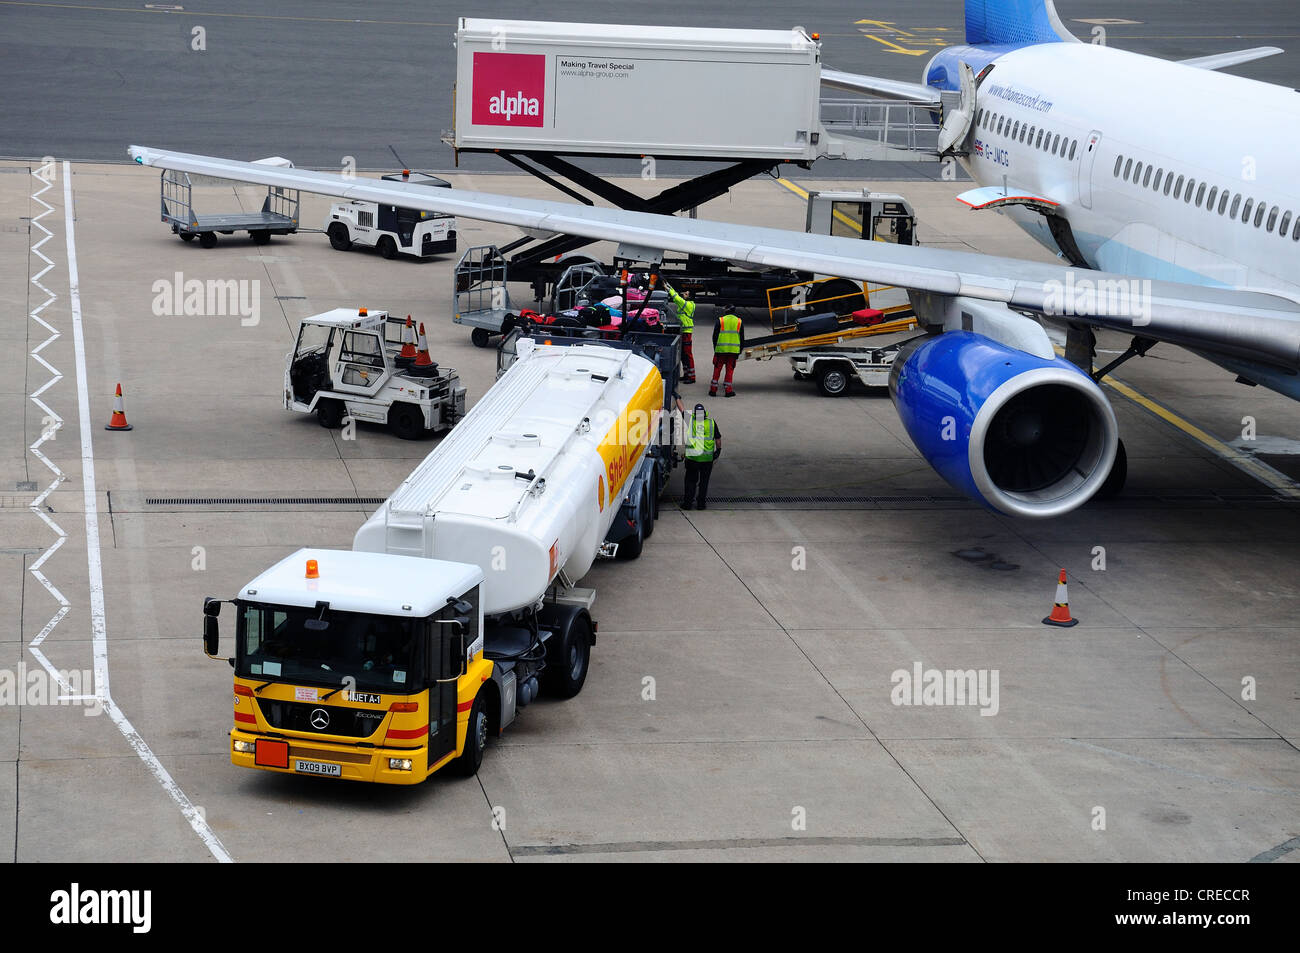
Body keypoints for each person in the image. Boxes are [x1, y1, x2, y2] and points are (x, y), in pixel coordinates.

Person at [680, 401, 720, 510]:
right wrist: (718, 451)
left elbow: (682, 410)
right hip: (707, 459)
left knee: (690, 482)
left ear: (695, 413)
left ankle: (688, 504)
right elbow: (718, 439)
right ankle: (701, 504)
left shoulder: (691, 421)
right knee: (704, 482)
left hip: (693, 459)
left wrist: (676, 397)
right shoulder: (711, 423)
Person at [665, 282, 696, 383]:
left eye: (686, 293)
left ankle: (692, 377)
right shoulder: (686, 304)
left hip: (686, 332)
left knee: (687, 354)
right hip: (683, 332)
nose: (684, 294)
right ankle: (687, 374)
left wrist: (669, 289)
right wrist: (669, 287)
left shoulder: (688, 305)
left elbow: (677, 298)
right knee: (683, 355)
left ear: (690, 296)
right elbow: (677, 299)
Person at [710, 308, 743, 398]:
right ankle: (728, 391)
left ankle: (713, 390)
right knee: (729, 370)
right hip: (733, 351)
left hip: (721, 350)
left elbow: (714, 336)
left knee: (717, 369)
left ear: (726, 312)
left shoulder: (720, 320)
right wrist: (739, 351)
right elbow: (742, 337)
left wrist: (715, 349)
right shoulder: (739, 321)